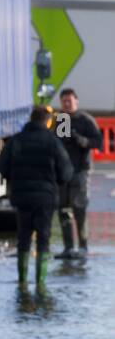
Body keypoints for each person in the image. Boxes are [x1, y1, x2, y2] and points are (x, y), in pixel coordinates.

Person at [0, 105, 73, 292]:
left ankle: (22, 281)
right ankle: (40, 283)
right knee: (43, 238)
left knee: (23, 237)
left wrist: (16, 178)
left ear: (30, 119)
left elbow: (2, 167)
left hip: (22, 197)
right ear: (47, 121)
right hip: (45, 197)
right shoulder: (53, 142)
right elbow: (66, 172)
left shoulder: (16, 140)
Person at [54, 88, 104, 258]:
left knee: (79, 208)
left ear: (76, 101)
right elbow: (59, 143)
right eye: (64, 101)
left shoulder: (85, 120)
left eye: (69, 101)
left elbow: (98, 142)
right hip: (64, 172)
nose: (66, 104)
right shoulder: (62, 119)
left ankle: (83, 246)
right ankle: (68, 247)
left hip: (81, 170)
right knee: (63, 209)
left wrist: (80, 139)